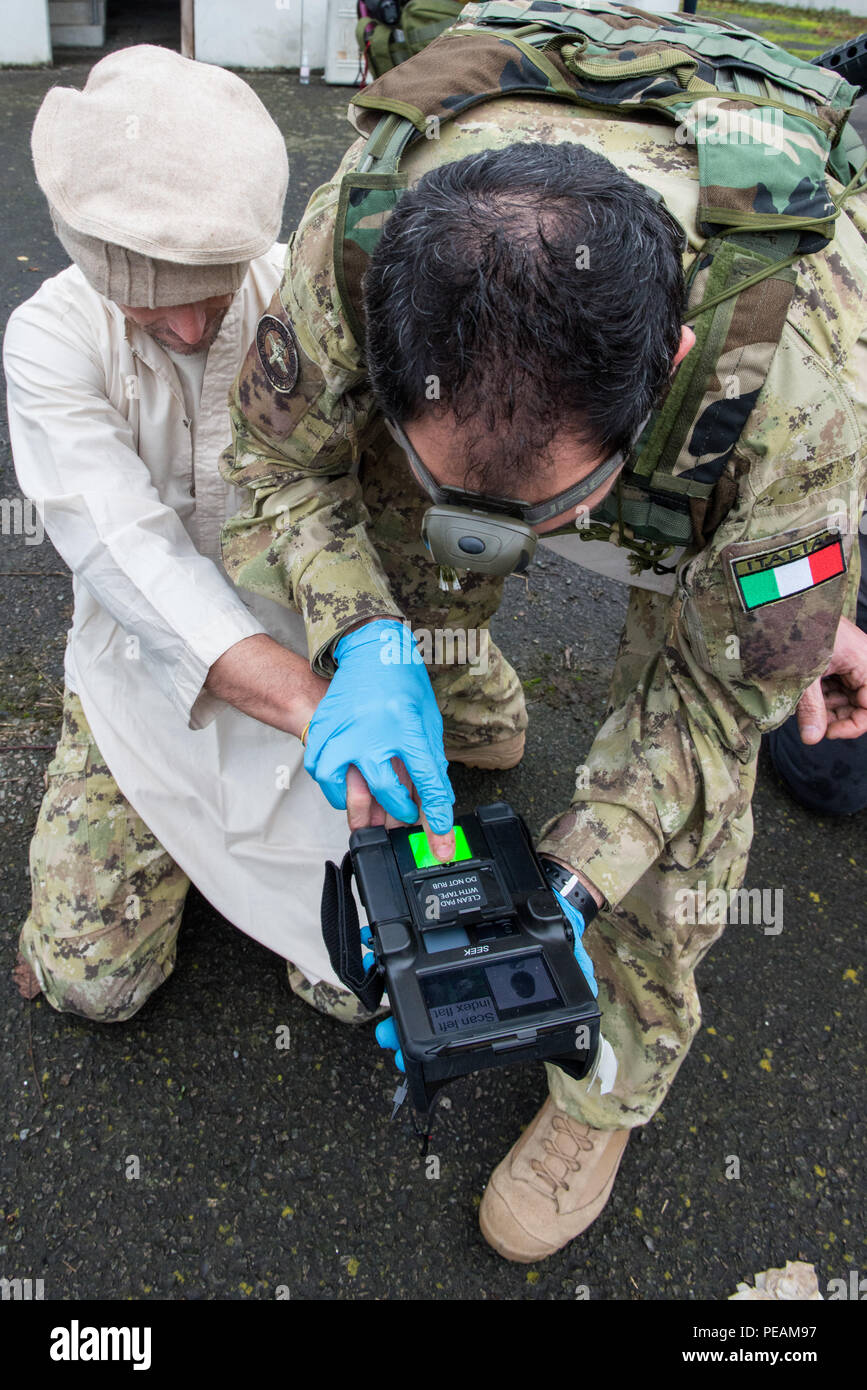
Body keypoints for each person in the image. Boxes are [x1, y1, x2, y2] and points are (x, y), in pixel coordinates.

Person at [220, 5, 867, 1263]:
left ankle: (607, 1078)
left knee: (687, 813)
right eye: (453, 483)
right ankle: (455, 700)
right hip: (503, 412)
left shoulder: (810, 374)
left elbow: (719, 698)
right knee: (409, 558)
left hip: (711, 500)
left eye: (544, 513)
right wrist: (363, 636)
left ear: (671, 362)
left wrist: (566, 881)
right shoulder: (354, 241)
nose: (493, 538)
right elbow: (274, 461)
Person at [5, 44, 415, 1025]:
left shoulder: (301, 302)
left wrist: (377, 665)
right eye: (150, 300)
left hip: (303, 636)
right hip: (147, 665)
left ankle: (466, 690)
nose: (189, 332)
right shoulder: (50, 340)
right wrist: (321, 712)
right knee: (91, 984)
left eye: (208, 289)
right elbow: (124, 552)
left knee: (362, 979)